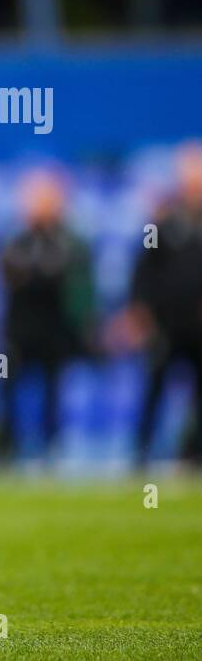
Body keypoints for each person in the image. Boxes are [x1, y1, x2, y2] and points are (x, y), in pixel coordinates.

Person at [0, 170, 95, 463]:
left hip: (54, 332)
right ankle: (7, 446)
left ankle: (50, 449)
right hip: (17, 332)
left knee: (52, 391)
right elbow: (10, 275)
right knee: (6, 387)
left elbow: (65, 281)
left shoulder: (70, 241)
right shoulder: (16, 238)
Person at [122, 142, 202, 469]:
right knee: (155, 385)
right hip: (166, 321)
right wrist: (140, 310)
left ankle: (192, 451)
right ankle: (141, 450)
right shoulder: (164, 223)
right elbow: (144, 267)